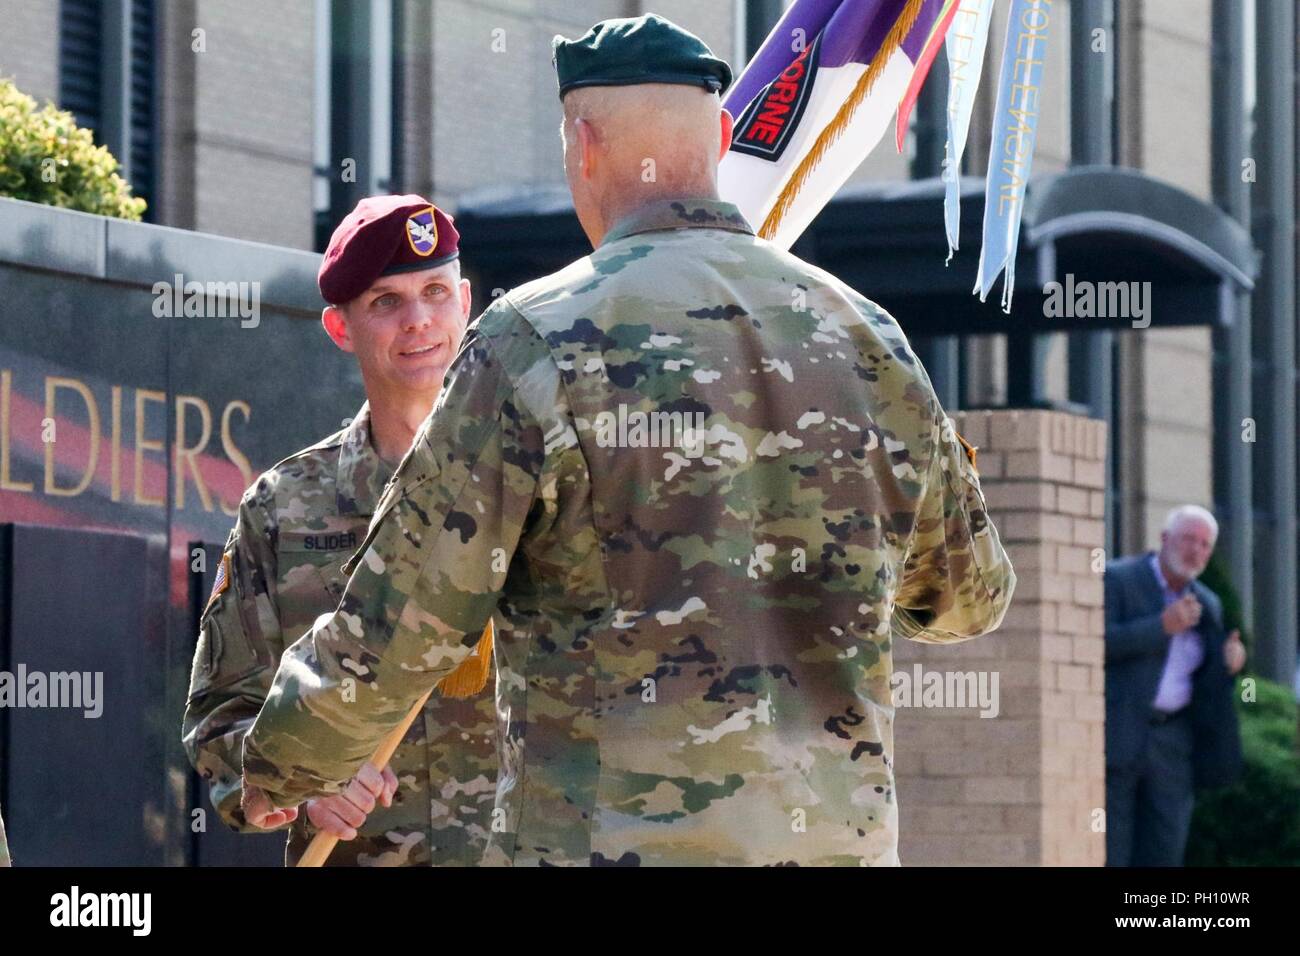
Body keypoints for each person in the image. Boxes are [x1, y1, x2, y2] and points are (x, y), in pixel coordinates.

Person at [240, 14, 1016, 866]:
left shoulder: (532, 340)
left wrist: (278, 768)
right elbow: (970, 597)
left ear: (583, 144)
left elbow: (402, 623)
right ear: (722, 136)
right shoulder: (870, 340)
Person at [182, 196, 496, 866]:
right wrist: (301, 782)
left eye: (435, 292)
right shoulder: (283, 508)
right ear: (339, 327)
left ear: (465, 303)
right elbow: (218, 725)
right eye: (385, 301)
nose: (418, 321)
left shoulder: (533, 485)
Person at [1103, 504, 1245, 867]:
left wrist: (1229, 663)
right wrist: (1159, 627)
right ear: (1165, 539)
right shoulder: (1119, 579)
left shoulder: (1209, 603)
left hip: (1173, 744)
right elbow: (1094, 644)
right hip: (1118, 735)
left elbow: (1206, 687)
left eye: (1204, 545)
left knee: (1164, 853)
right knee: (1110, 851)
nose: (1195, 551)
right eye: (1188, 540)